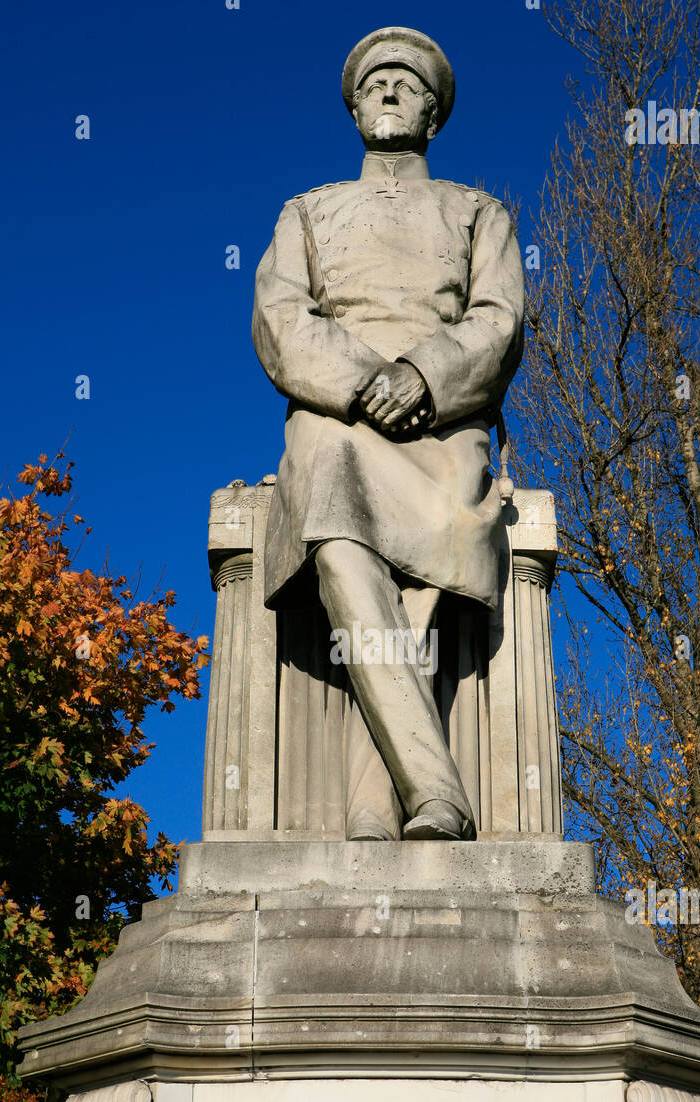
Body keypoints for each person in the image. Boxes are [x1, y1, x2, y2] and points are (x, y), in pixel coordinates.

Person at [252, 26, 524, 841]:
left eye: (409, 86)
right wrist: (366, 381)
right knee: (335, 515)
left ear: (434, 115)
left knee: (440, 542)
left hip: (444, 425)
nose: (392, 94)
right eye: (377, 85)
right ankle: (434, 786)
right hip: (338, 416)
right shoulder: (307, 211)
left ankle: (378, 804)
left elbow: (500, 321)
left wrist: (425, 377)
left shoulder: (478, 212)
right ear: (357, 108)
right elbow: (279, 317)